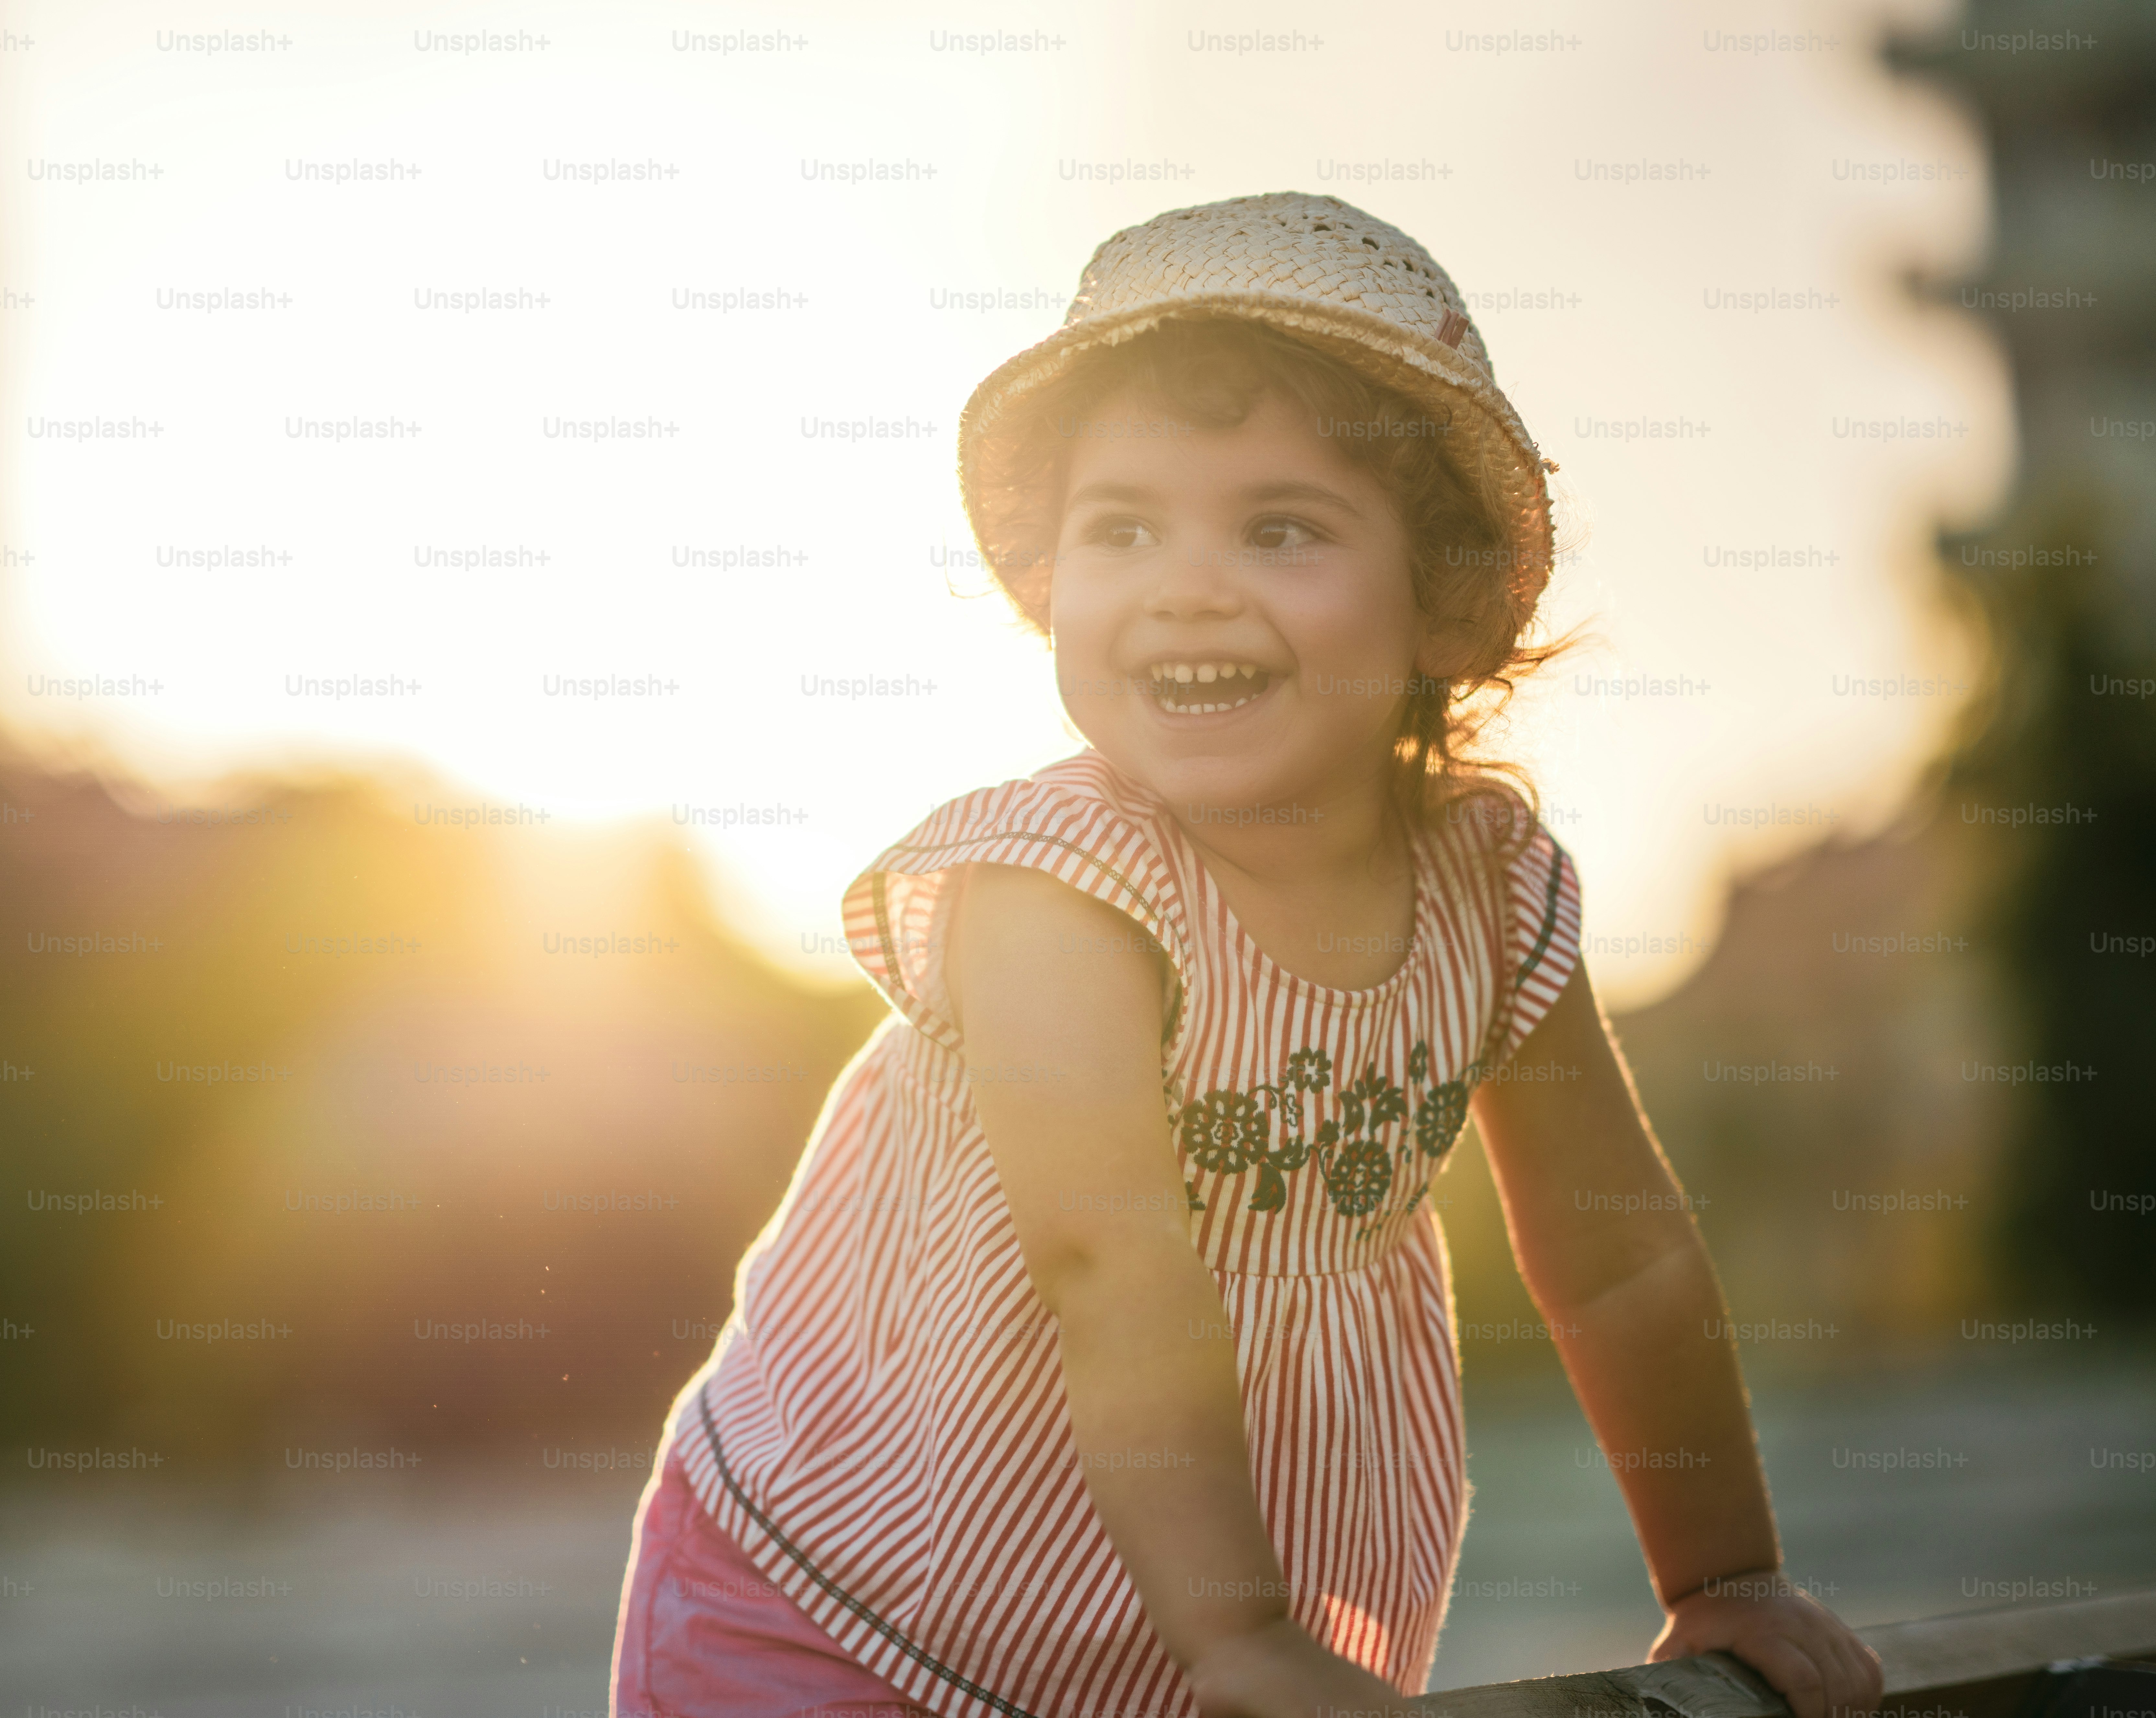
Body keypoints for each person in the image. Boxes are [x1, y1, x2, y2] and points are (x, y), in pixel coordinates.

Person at [608, 191, 1884, 1718]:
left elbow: (1618, 1254)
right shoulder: (1055, 887)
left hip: (1185, 1629)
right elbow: (1107, 1264)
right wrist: (1235, 1637)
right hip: (832, 1598)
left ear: (1440, 603)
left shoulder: (1483, 887)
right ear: (1050, 580)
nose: (1187, 584)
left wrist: (1721, 1576)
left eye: (1279, 529)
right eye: (1122, 528)